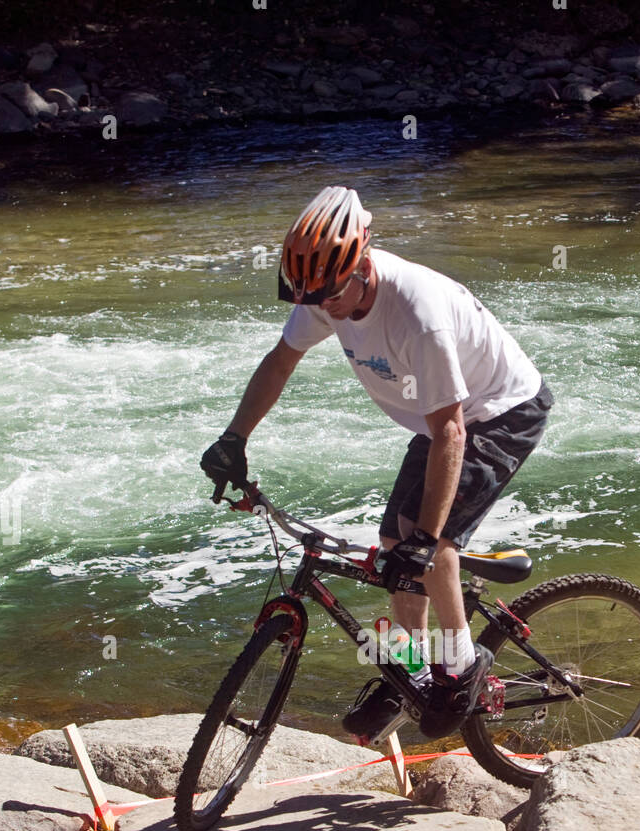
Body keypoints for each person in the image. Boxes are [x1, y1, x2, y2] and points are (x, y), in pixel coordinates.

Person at [200, 185, 552, 739]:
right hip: (437, 420)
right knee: (394, 543)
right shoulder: (325, 292)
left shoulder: (417, 314)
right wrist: (233, 439)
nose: (322, 306)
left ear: (362, 264)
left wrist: (428, 539)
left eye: (330, 293)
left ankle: (460, 668)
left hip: (499, 411)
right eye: (308, 295)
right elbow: (281, 362)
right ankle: (410, 671)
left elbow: (453, 433)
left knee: (427, 544)